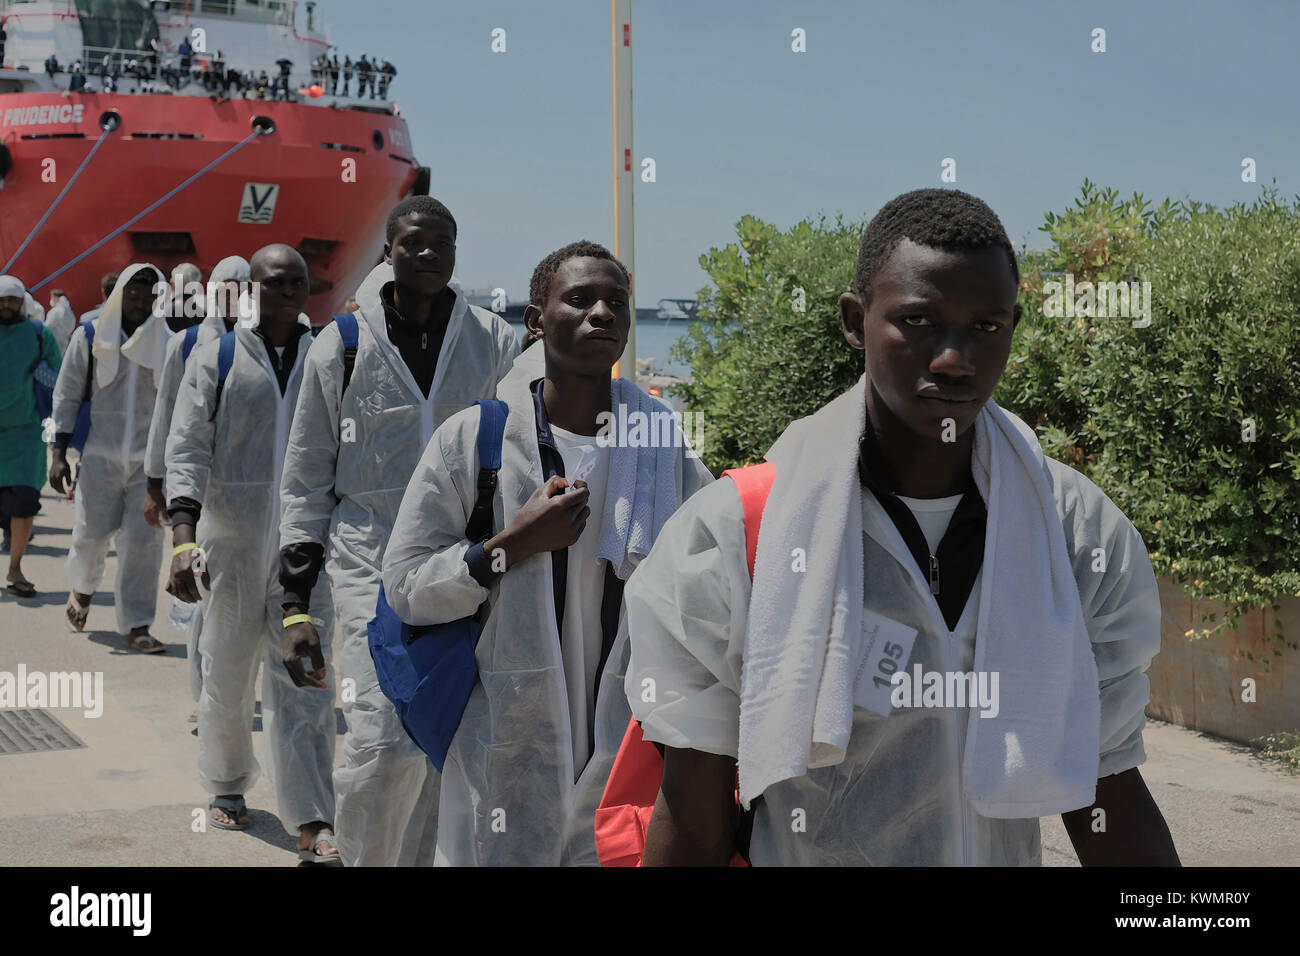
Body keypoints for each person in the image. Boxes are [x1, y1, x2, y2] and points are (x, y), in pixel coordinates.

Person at [624, 188, 1180, 867]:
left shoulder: (1075, 535)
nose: (955, 359)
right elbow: (697, 818)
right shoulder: (737, 535)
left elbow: (1104, 791)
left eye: (986, 327)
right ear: (856, 322)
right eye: (918, 321)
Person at [381, 241, 713, 866]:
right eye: (580, 299)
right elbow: (407, 588)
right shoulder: (476, 441)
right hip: (501, 752)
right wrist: (512, 545)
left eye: (617, 302)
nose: (603, 314)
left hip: (624, 753)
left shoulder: (662, 445)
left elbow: (710, 575)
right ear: (535, 320)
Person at [278, 196, 519, 866]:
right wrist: (296, 606)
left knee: (444, 739)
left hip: (462, 566)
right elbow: (303, 479)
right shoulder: (343, 346)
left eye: (442, 242)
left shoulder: (492, 341)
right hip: (366, 563)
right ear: (388, 250)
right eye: (413, 242)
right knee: (379, 741)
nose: (428, 254)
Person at [166, 245, 339, 860]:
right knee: (227, 672)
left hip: (305, 545)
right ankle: (228, 783)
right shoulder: (216, 358)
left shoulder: (328, 357)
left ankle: (314, 813)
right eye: (274, 282)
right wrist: (183, 539)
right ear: (249, 291)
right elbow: (186, 448)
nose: (289, 291)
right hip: (231, 542)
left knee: (307, 676)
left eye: (298, 282)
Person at [144, 255, 251, 708]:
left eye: (242, 287)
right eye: (225, 286)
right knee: (204, 597)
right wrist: (156, 483)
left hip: (251, 492)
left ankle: (230, 693)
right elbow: (164, 415)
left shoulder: (267, 345)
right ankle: (204, 697)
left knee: (240, 601)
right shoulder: (186, 344)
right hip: (198, 489)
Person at [50, 265, 169, 653]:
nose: (139, 300)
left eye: (148, 293)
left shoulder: (168, 343)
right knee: (89, 536)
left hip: (148, 466)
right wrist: (58, 453)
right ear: (118, 294)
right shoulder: (90, 336)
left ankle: (137, 624)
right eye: (132, 292)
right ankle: (82, 590)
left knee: (144, 545)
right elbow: (66, 395)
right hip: (99, 458)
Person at [0, 275, 61, 597]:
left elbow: (61, 376)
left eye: (12, 300)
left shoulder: (39, 334)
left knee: (24, 503)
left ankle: (15, 568)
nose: (7, 306)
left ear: (22, 302)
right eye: (2, 300)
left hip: (25, 434)